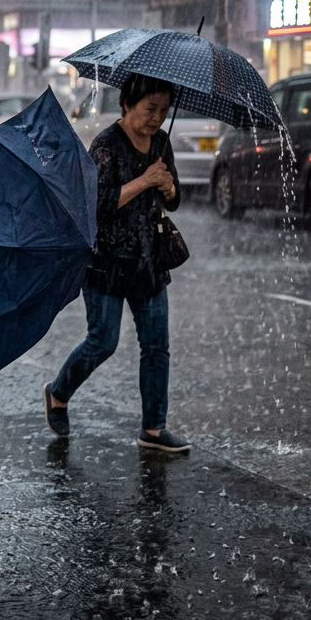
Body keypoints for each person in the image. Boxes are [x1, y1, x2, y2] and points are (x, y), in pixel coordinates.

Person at [42, 73, 190, 453]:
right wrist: (144, 180)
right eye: (149, 109)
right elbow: (95, 205)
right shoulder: (106, 144)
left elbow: (172, 200)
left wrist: (169, 187)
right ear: (128, 104)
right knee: (102, 341)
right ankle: (58, 392)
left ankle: (153, 429)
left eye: (163, 110)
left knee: (157, 346)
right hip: (107, 261)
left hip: (149, 261)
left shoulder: (161, 141)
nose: (156, 117)